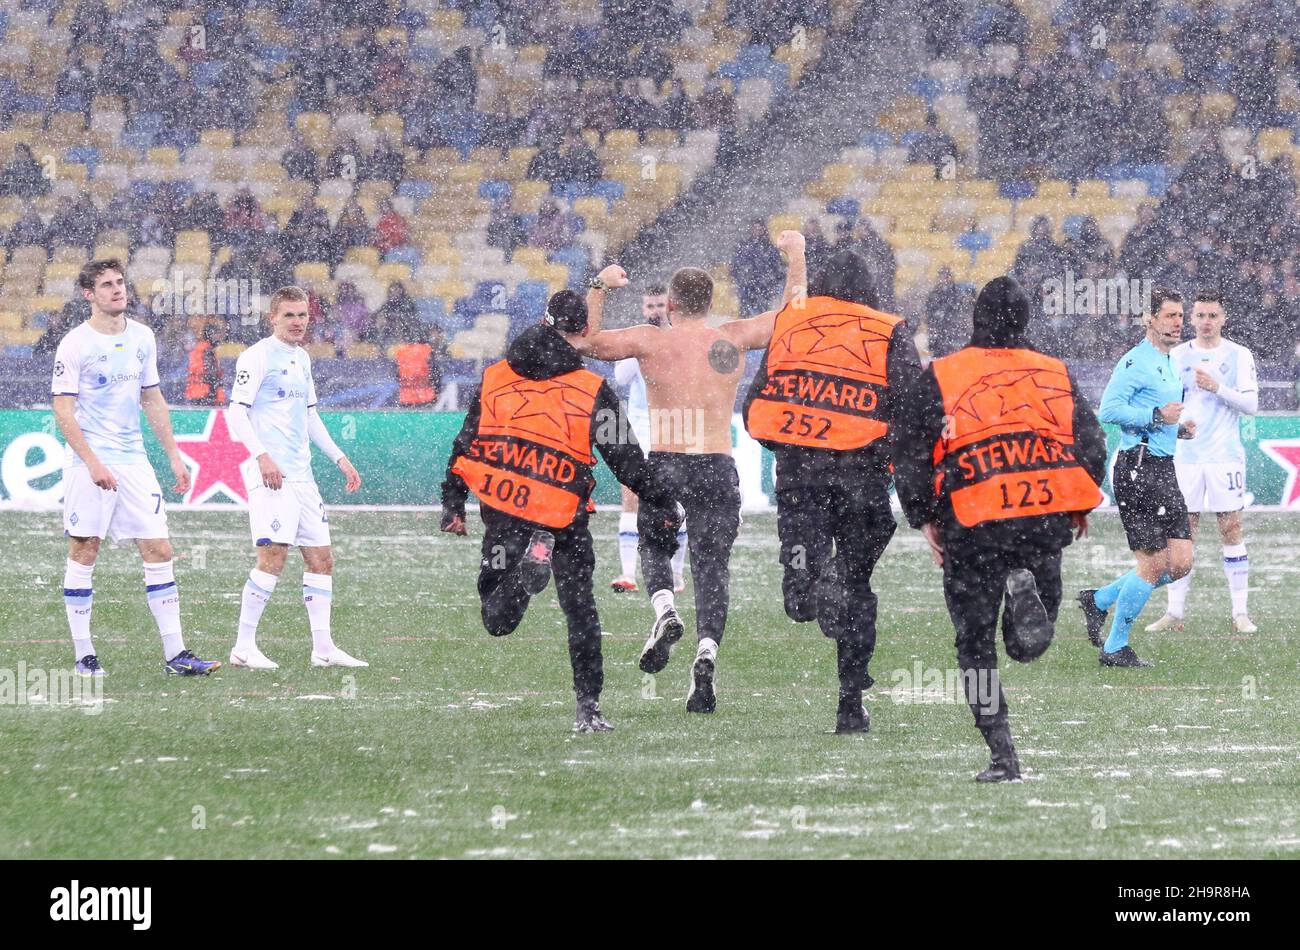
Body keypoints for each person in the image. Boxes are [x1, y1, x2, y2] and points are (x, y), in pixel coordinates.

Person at [573, 238, 805, 713]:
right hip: (715, 462)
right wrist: (797, 254)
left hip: (667, 462)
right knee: (711, 566)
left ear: (672, 304)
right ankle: (707, 652)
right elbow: (794, 316)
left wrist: (599, 286)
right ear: (711, 303)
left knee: (655, 546)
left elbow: (585, 341)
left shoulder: (650, 339)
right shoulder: (733, 337)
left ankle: (664, 608)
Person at [439, 278, 679, 732]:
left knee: (497, 619)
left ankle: (523, 576)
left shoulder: (495, 376)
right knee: (580, 610)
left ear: (543, 321)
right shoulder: (592, 389)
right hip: (562, 515)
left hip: (506, 511)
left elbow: (466, 443)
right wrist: (666, 501)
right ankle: (589, 708)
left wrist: (453, 502)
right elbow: (627, 462)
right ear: (584, 331)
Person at [894, 276, 1107, 781]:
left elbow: (908, 449)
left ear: (975, 319)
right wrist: (1076, 503)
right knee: (1027, 646)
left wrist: (923, 515)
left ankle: (1001, 752)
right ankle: (1021, 590)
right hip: (1040, 521)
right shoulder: (1055, 372)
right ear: (1027, 319)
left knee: (974, 645)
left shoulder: (943, 373)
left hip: (973, 522)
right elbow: (1093, 446)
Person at [743, 242, 923, 733]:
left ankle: (813, 576)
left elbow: (757, 406)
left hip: (801, 480)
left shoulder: (791, 321)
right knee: (857, 587)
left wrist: (794, 441)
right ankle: (850, 702)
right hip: (863, 482)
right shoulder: (889, 330)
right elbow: (914, 411)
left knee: (801, 591)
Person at [51, 259, 221, 677]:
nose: (117, 290)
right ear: (89, 294)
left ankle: (176, 655)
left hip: (134, 461)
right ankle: (84, 655)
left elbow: (152, 399)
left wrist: (174, 455)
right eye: (106, 285)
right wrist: (92, 462)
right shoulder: (74, 343)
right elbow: (63, 411)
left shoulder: (143, 336)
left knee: (159, 550)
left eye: (120, 282)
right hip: (89, 463)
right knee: (85, 550)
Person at [225, 287, 366, 670]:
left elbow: (309, 414)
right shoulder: (256, 356)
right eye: (289, 315)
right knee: (273, 557)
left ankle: (323, 649)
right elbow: (236, 412)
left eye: (302, 315)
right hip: (272, 475)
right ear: (272, 317)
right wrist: (263, 456)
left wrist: (339, 457)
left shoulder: (302, 358)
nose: (297, 322)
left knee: (322, 559)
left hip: (302, 477)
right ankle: (243, 647)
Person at [1079, 288, 1199, 668]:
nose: (1177, 323)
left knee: (1180, 563)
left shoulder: (1170, 361)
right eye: (1169, 315)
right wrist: (1156, 416)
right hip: (1138, 469)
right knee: (1152, 564)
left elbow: (1159, 416)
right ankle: (1115, 647)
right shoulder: (1135, 361)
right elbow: (1108, 410)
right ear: (1150, 319)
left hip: (1163, 466)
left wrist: (1177, 430)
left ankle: (1099, 600)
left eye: (1180, 316)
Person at [1146, 290, 1258, 633]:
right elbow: (1164, 402)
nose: (1206, 322)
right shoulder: (1176, 355)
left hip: (1225, 458)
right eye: (1200, 315)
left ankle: (1240, 613)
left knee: (1231, 529)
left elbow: (1251, 405)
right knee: (1183, 533)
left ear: (1223, 319)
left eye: (1213, 315)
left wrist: (1217, 387)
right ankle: (1174, 612)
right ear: (1191, 319)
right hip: (1186, 458)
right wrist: (1177, 424)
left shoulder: (1239, 355)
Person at [610, 282, 687, 594]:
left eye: (659, 305)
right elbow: (620, 378)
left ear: (670, 306)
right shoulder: (638, 339)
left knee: (677, 497)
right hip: (641, 425)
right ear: (643, 309)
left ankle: (677, 574)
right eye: (650, 306)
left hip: (673, 424)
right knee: (631, 494)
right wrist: (638, 348)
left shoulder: (681, 339)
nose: (655, 311)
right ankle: (628, 574)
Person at [393, 324, 443, 407]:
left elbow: (397, 374)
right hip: (426, 396)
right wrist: (437, 390)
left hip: (406, 397)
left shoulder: (401, 352)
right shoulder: (427, 350)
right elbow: (435, 373)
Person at [184, 319, 226, 406]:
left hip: (194, 392)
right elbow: (211, 375)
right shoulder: (207, 351)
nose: (219, 337)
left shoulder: (199, 348)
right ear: (211, 335)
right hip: (204, 393)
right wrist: (217, 390)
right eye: (217, 334)